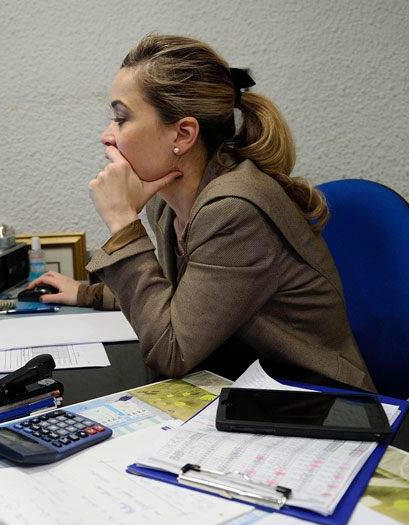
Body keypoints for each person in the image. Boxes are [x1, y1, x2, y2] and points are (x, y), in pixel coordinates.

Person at [28, 34, 375, 392]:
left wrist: (122, 222)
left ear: (183, 133)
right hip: (247, 385)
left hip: (317, 400)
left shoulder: (234, 210)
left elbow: (171, 349)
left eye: (120, 118)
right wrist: (85, 294)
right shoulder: (170, 202)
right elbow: (183, 296)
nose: (106, 135)